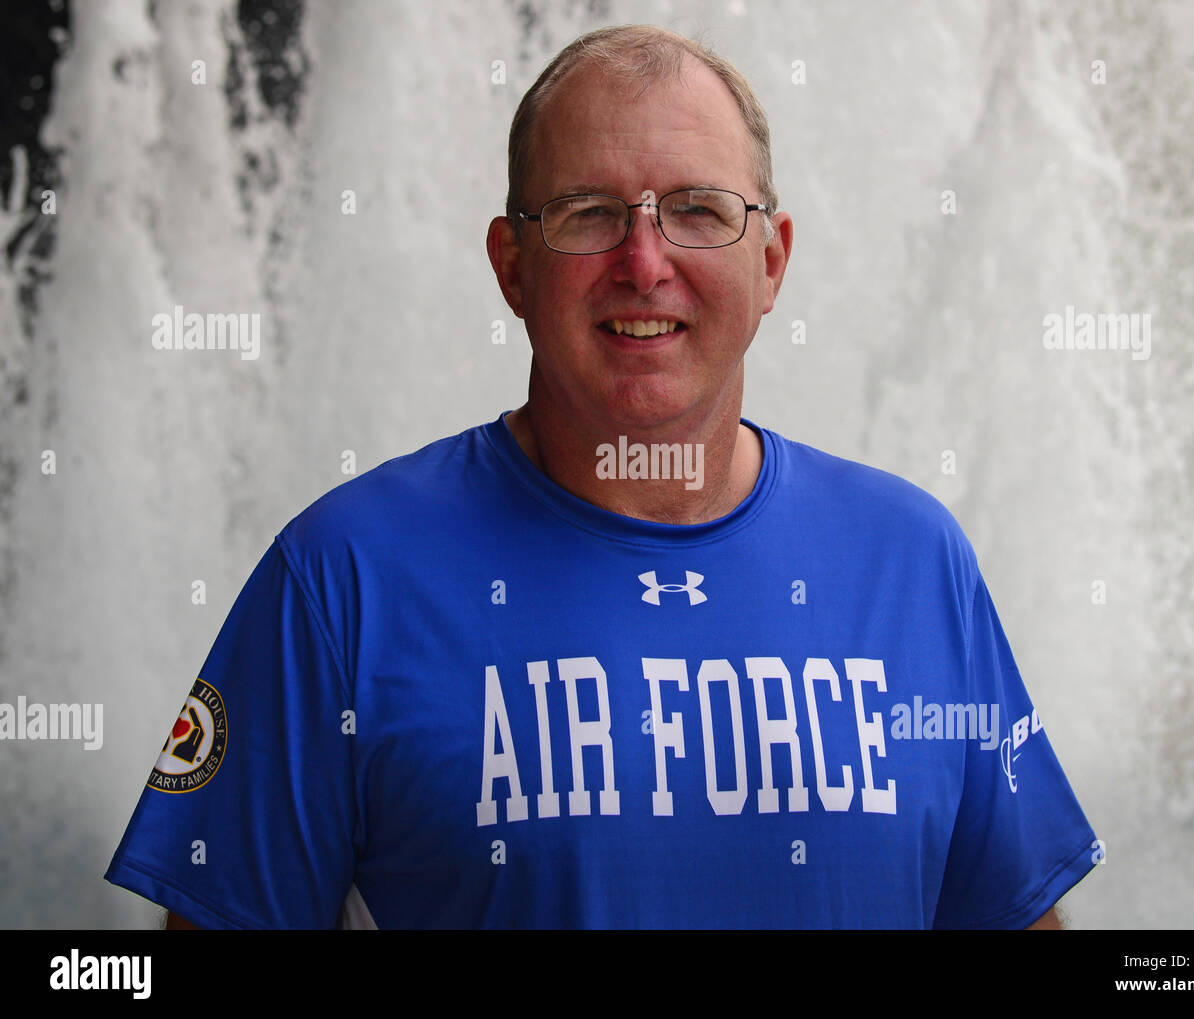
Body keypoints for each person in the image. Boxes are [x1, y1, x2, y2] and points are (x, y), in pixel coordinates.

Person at [106, 24, 1097, 929]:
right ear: (511, 265)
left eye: (699, 211)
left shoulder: (914, 563)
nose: (644, 260)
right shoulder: (339, 580)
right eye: (588, 214)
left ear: (771, 261)